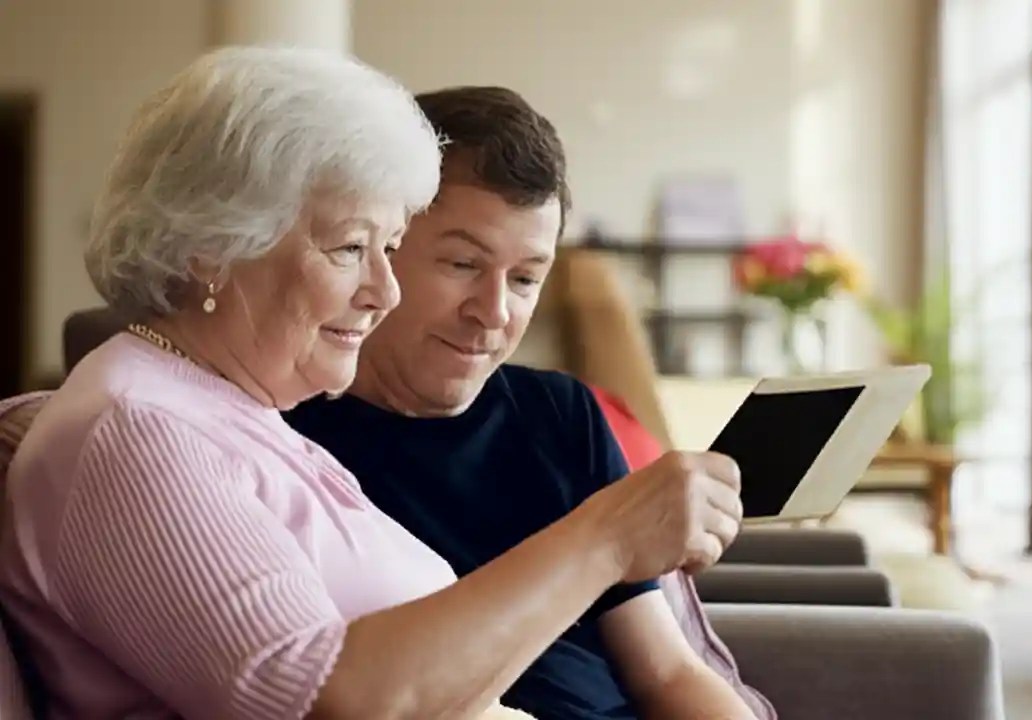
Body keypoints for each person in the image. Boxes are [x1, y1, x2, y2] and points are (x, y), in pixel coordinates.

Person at [0, 49, 743, 720]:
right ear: (213, 249)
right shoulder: (138, 431)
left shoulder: (236, 414)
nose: (383, 292)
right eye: (353, 248)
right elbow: (332, 705)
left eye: (389, 248)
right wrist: (607, 537)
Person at [285, 87, 762, 719]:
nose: (494, 313)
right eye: (461, 263)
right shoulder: (288, 437)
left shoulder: (561, 413)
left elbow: (668, 671)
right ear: (380, 247)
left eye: (525, 279)